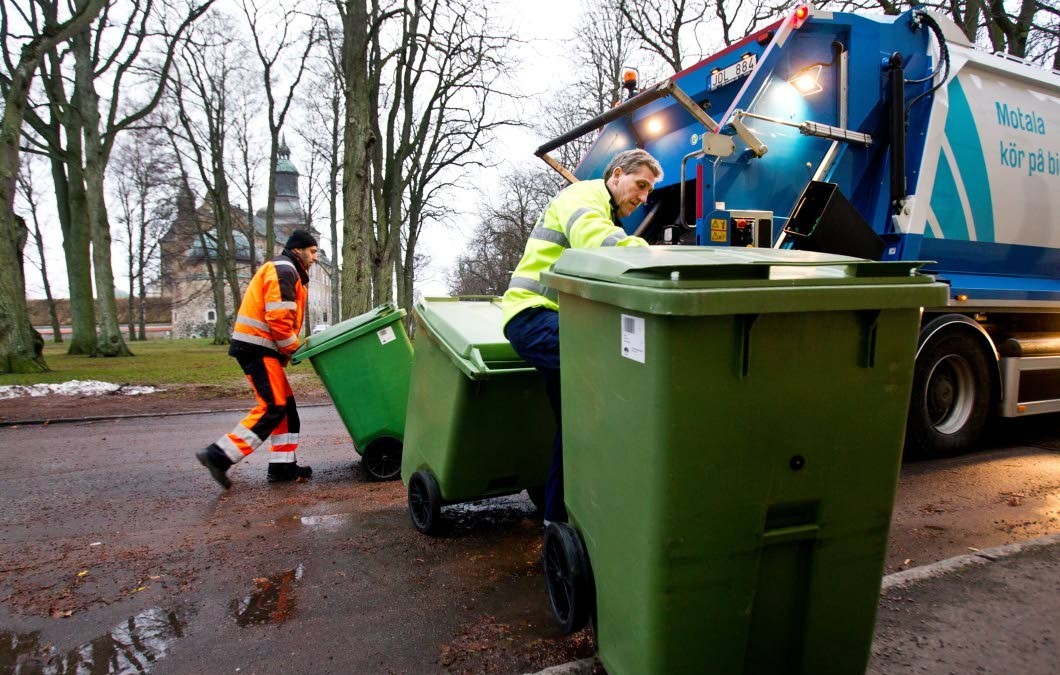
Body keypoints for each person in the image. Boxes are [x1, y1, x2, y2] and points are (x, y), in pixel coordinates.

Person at [501, 148, 663, 523]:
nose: (643, 198)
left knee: (575, 426)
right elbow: (596, 242)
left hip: (552, 322)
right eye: (640, 185)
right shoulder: (584, 196)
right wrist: (654, 255)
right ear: (617, 174)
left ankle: (557, 518)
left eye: (649, 192)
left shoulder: (605, 212)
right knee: (615, 365)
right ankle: (568, 516)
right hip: (533, 317)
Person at [196, 229, 319, 489]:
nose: (315, 258)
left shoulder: (288, 270)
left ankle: (282, 468)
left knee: (286, 410)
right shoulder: (285, 270)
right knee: (273, 407)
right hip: (257, 348)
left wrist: (287, 349)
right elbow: (279, 317)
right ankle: (218, 456)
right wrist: (292, 347)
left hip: (260, 348)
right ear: (298, 249)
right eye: (313, 251)